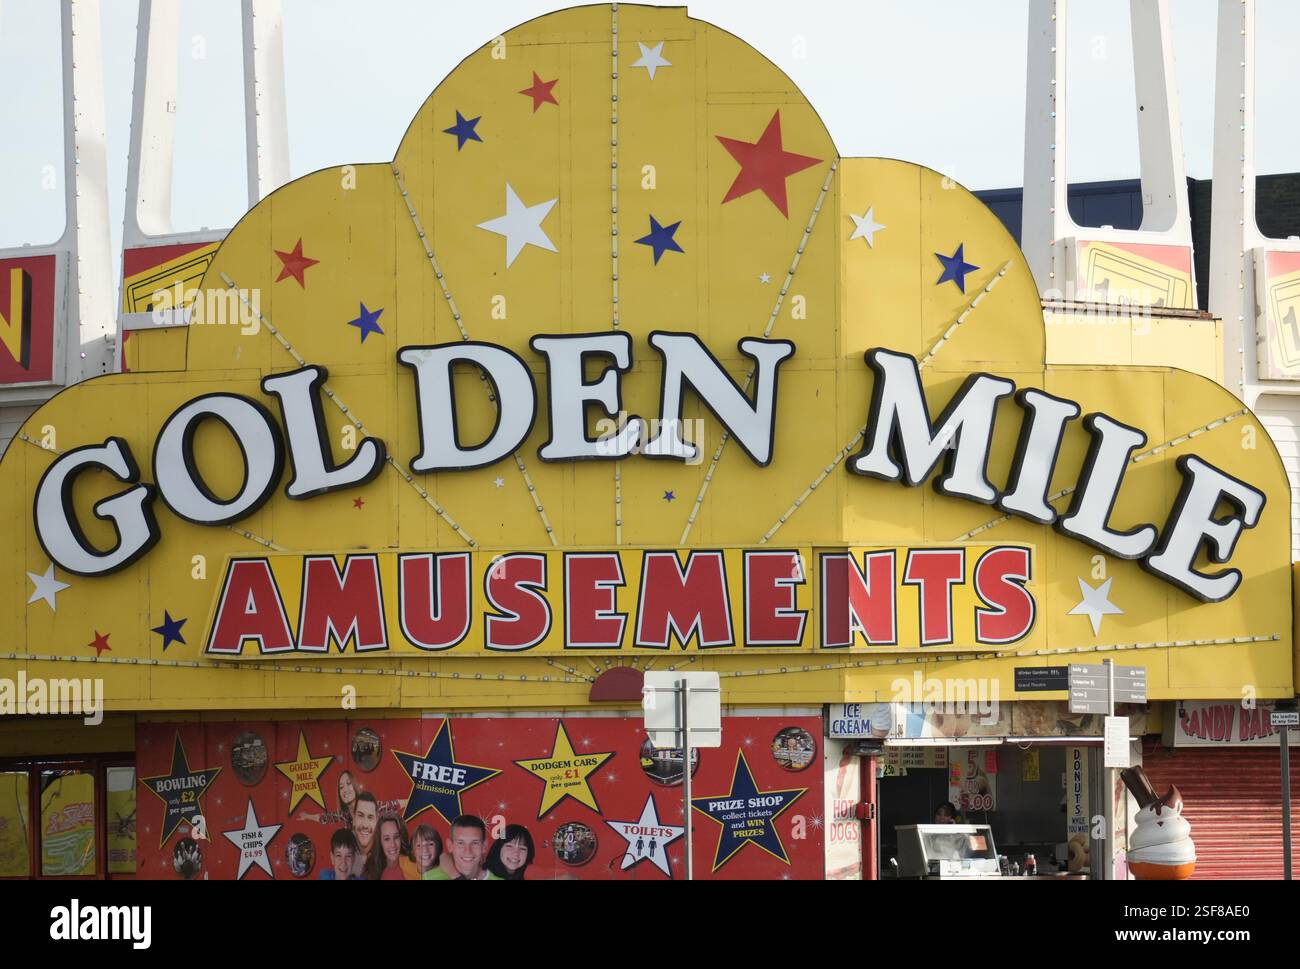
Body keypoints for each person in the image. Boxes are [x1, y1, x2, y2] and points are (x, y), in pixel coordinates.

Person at [425, 815, 499, 880]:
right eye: (460, 843)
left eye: (475, 843)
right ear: (450, 846)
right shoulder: (428, 877)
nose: (468, 851)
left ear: (484, 846)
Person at [365, 815, 420, 880]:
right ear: (380, 842)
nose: (393, 844)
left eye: (396, 837)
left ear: (401, 838)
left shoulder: (415, 866)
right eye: (387, 839)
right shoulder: (370, 870)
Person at [349, 791, 379, 878]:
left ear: (376, 820)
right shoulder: (343, 854)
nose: (365, 825)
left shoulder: (385, 856)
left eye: (370, 817)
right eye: (360, 816)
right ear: (354, 818)